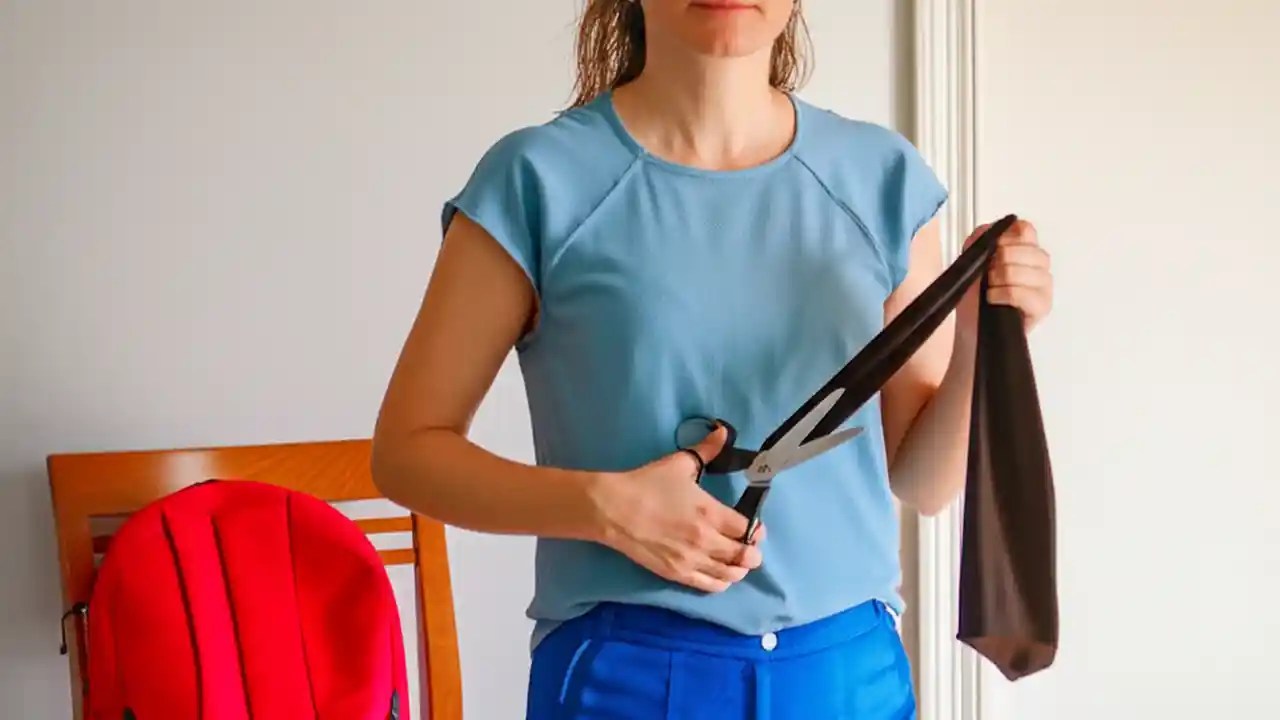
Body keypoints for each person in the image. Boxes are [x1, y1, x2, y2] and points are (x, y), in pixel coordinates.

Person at [372, 0, 1054, 717]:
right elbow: (407, 452)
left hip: (848, 677)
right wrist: (606, 509)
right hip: (625, 677)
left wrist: (981, 339)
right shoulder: (537, 178)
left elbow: (922, 481)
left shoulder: (883, 178)